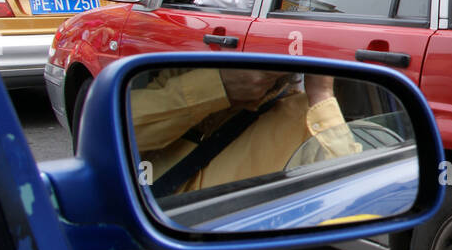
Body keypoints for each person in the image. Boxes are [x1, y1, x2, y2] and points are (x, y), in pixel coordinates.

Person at [131, 67, 362, 196]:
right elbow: (119, 131)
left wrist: (321, 94)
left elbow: (352, 196)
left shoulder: (310, 118)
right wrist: (216, 87)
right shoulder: (183, 73)